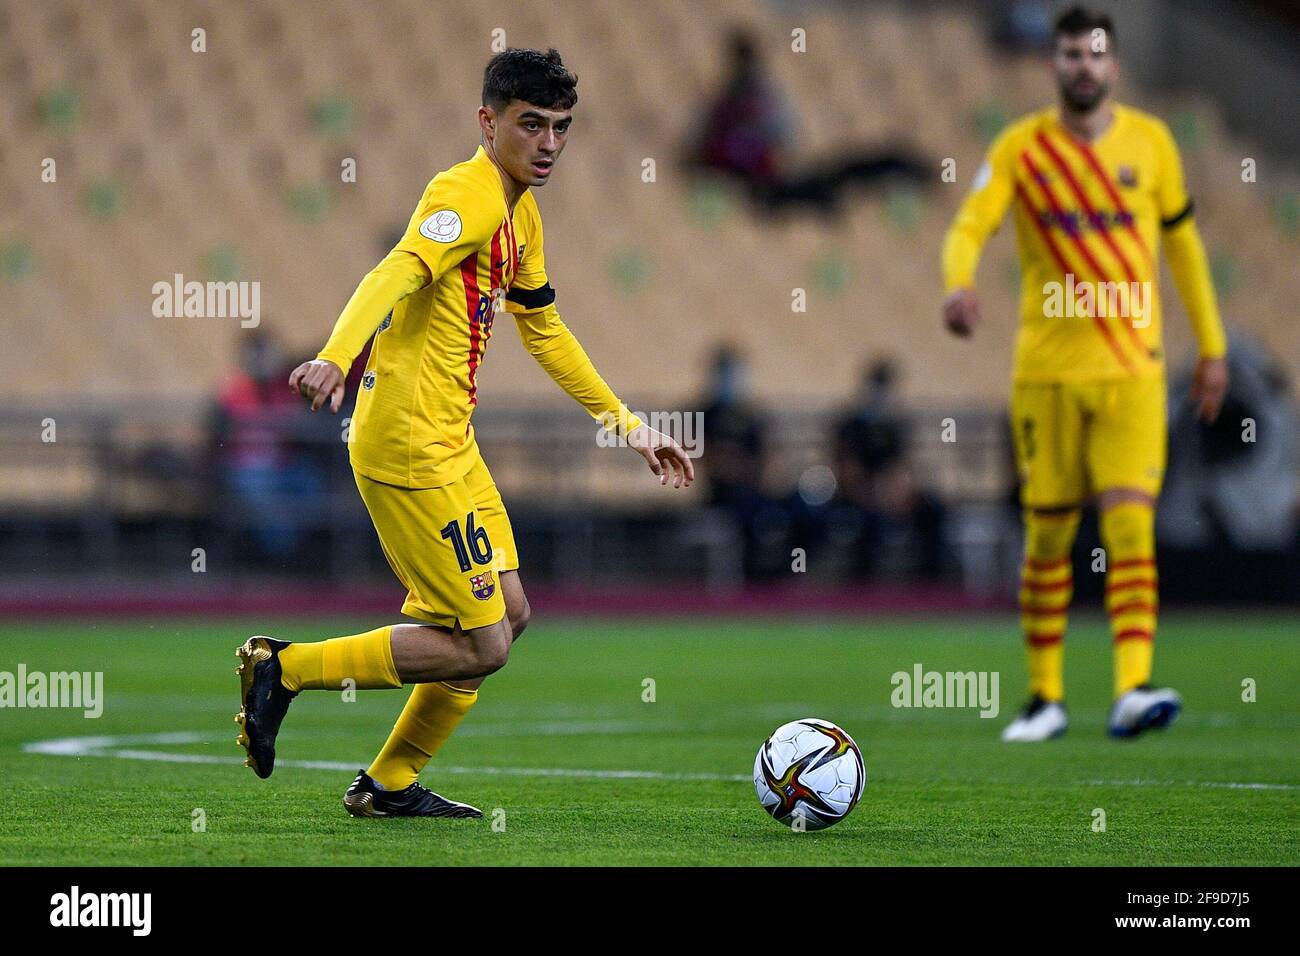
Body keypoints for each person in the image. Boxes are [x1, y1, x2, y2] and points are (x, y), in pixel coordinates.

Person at [234, 48, 694, 817]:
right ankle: (285, 669)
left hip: (452, 442)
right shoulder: (467, 193)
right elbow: (398, 268)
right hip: (408, 445)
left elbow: (544, 331)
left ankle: (388, 785)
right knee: (482, 644)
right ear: (489, 123)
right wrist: (336, 355)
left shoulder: (524, 214)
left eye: (561, 129)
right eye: (531, 125)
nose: (548, 144)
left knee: (508, 618)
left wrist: (630, 428)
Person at [940, 7, 1228, 741]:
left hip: (1134, 371)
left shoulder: (1153, 144)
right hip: (1048, 375)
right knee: (1048, 538)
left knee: (1131, 523)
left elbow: (1186, 250)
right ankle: (1046, 698)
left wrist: (1214, 346)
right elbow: (972, 221)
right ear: (1054, 65)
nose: (1084, 67)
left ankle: (1133, 686)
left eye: (1095, 55)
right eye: (1071, 55)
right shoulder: (1020, 148)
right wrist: (959, 281)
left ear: (1115, 66)